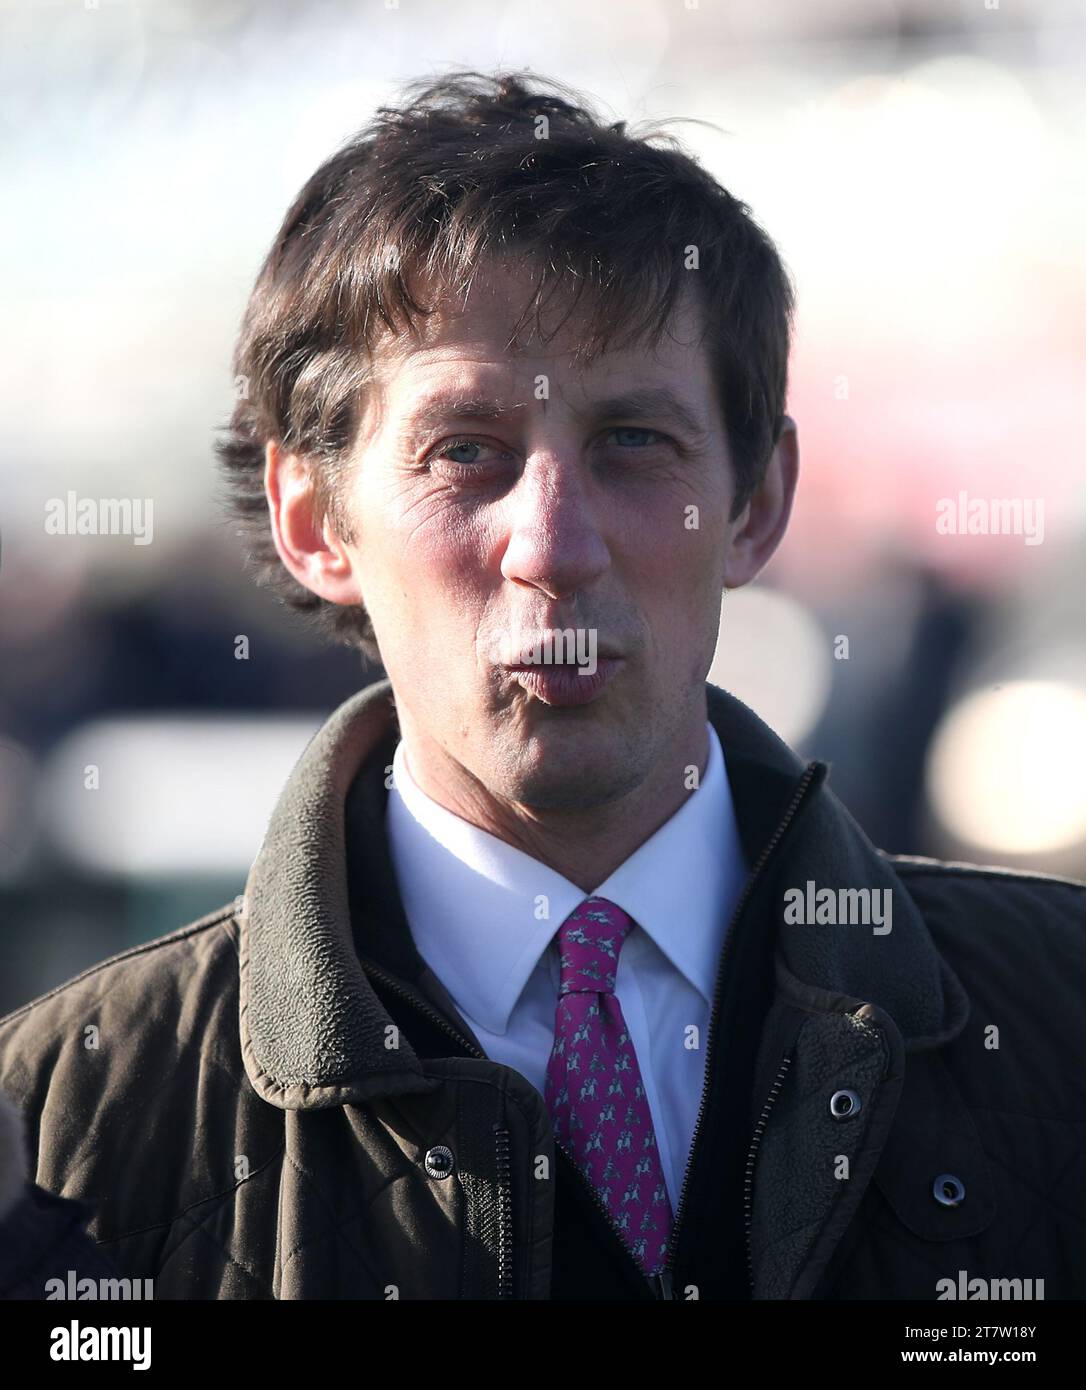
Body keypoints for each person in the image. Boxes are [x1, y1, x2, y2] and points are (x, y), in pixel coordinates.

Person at [2, 70, 1084, 1301]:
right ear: (314, 518)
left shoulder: (1060, 1022)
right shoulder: (61, 1134)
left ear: (759, 500)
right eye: (466, 452)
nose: (554, 542)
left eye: (634, 441)